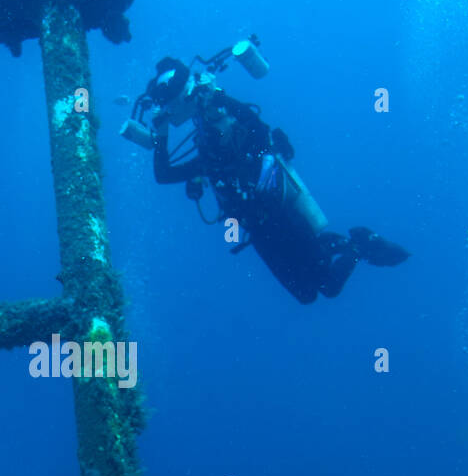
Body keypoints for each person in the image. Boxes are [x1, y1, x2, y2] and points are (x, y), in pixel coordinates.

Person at [123, 49, 409, 304]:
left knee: (329, 286)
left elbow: (258, 127)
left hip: (280, 214)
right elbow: (164, 175)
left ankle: (359, 243)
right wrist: (161, 134)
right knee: (307, 295)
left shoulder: (237, 127)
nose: (218, 131)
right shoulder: (208, 157)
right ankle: (344, 244)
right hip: (257, 232)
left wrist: (217, 99)